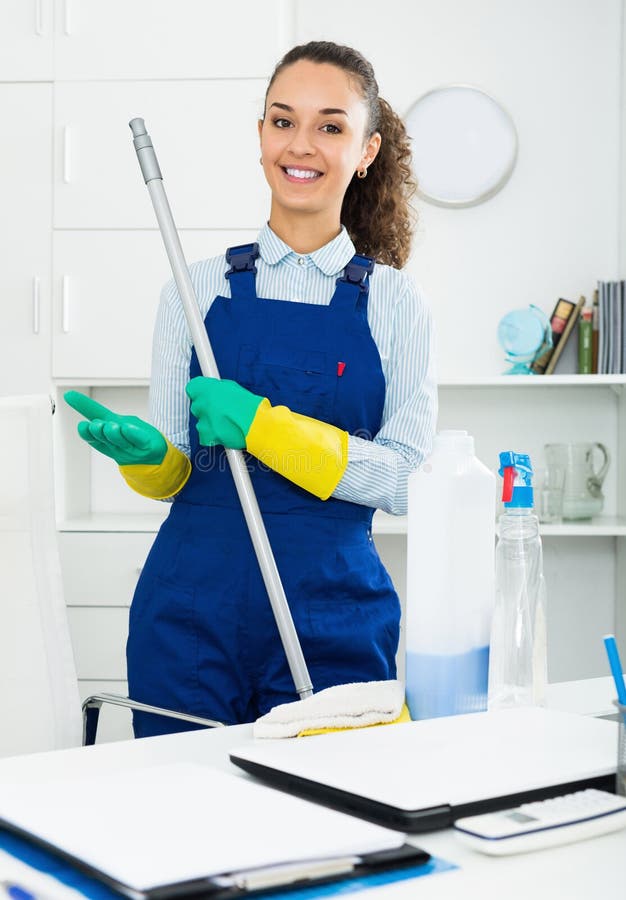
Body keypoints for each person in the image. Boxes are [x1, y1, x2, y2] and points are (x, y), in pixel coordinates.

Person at [65, 41, 437, 736]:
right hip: (187, 612)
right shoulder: (192, 287)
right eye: (281, 120)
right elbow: (179, 469)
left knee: (326, 827)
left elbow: (410, 479)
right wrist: (149, 457)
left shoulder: (396, 303)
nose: (301, 144)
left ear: (366, 150)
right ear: (260, 135)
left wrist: (268, 429)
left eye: (331, 126)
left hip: (332, 616)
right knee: (182, 820)